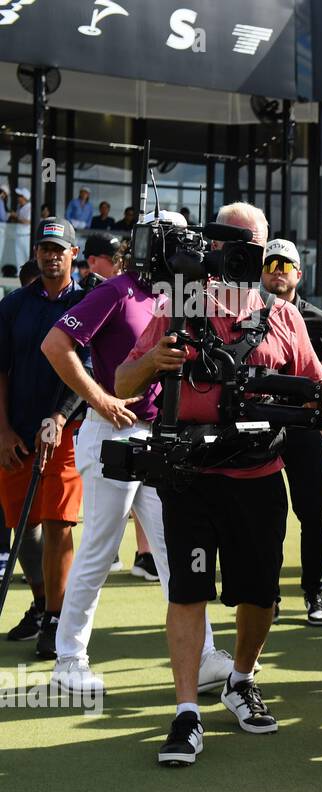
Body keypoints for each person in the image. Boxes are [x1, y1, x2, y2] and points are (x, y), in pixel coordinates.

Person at [116, 202, 322, 767]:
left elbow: (320, 391)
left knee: (260, 594)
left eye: (249, 242)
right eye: (228, 241)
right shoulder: (178, 305)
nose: (237, 253)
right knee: (187, 591)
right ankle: (185, 713)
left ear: (268, 247)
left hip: (260, 472)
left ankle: (241, 677)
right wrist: (155, 358)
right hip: (190, 474)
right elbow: (123, 379)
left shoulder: (285, 315)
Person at [41, 210, 230, 694]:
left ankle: (204, 654)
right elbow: (56, 344)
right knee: (101, 547)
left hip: (158, 434)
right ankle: (69, 657)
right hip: (113, 431)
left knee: (173, 548)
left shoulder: (180, 295)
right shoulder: (117, 289)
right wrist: (99, 398)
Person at [0, 218, 85, 659]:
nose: (51, 255)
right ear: (35, 253)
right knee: (23, 526)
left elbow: (86, 372)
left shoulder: (91, 303)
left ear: (74, 254)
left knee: (57, 524)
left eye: (59, 248)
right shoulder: (13, 304)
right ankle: (39, 602)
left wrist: (59, 415)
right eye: (44, 248)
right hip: (15, 433)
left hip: (67, 433)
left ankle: (56, 618)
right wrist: (2, 430)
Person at [261, 238, 322, 626]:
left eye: (285, 265)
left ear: (299, 273)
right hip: (259, 428)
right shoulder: (246, 313)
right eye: (270, 263)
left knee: (314, 512)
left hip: (304, 428)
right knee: (266, 514)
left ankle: (315, 591)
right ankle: (267, 595)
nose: (277, 270)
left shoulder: (316, 320)